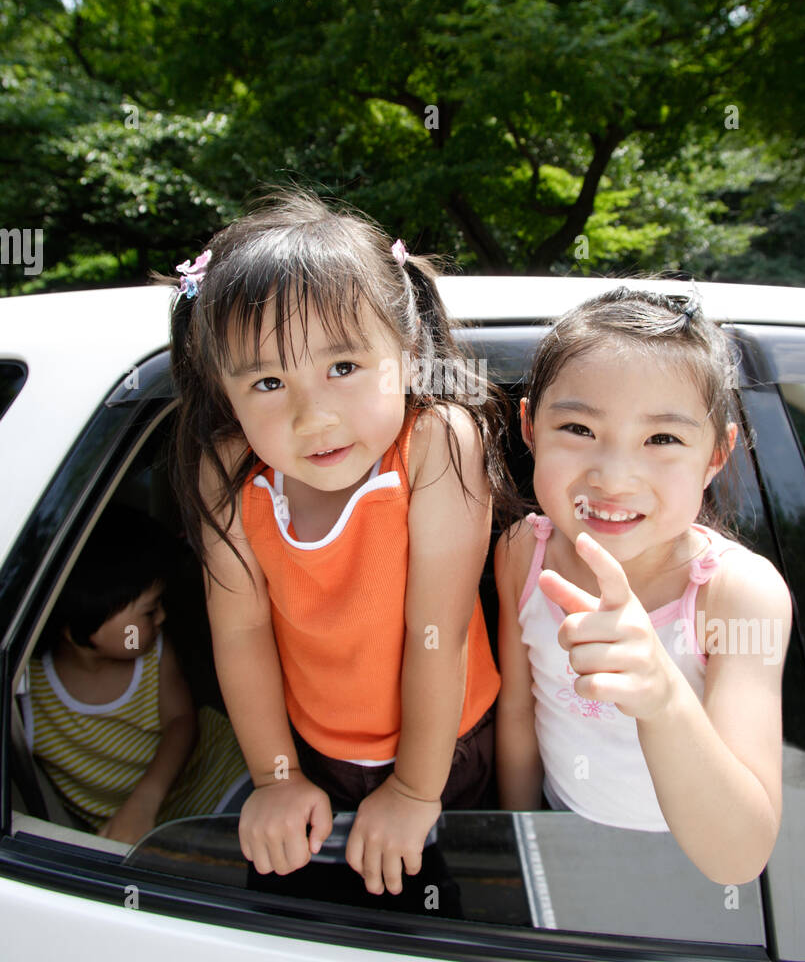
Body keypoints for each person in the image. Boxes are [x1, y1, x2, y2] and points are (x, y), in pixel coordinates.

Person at [164, 189, 511, 895]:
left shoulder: (435, 442)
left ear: (406, 355)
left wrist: (414, 790)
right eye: (268, 381)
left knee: (438, 904)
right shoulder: (229, 468)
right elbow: (241, 630)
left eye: (343, 368)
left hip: (445, 747)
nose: (312, 416)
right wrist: (276, 776)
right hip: (311, 747)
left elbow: (437, 631)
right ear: (224, 392)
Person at [495, 286, 792, 884]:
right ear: (529, 427)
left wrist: (662, 696)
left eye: (662, 439)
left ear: (717, 455)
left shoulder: (736, 594)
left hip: (684, 865)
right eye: (578, 428)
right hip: (562, 834)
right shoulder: (523, 552)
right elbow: (519, 712)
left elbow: (739, 858)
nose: (614, 477)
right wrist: (520, 842)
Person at [23, 505, 251, 843]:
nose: (161, 618)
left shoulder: (152, 653)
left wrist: (145, 800)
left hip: (214, 782)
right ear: (79, 627)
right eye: (149, 611)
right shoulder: (27, 693)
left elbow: (181, 723)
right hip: (135, 835)